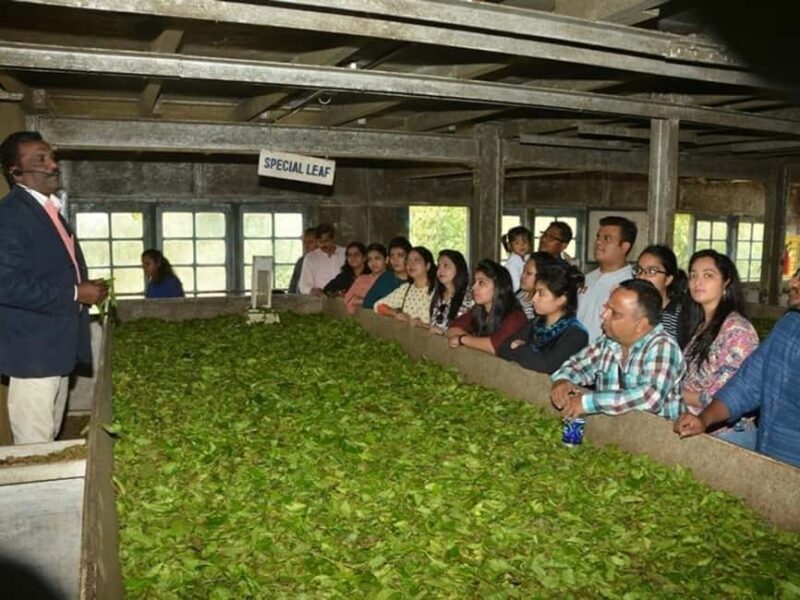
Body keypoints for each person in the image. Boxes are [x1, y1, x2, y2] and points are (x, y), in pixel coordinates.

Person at [0, 131, 108, 444]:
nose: (53, 165)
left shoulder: (48, 212)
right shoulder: (9, 216)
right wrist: (75, 293)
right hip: (32, 354)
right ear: (15, 172)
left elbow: (51, 270)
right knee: (34, 447)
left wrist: (87, 288)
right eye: (41, 160)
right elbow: (6, 284)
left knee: (49, 434)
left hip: (55, 349)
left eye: (52, 157)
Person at [674, 268, 800, 467]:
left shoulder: (737, 329)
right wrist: (704, 419)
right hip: (770, 457)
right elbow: (747, 385)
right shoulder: (789, 325)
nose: (793, 283)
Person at [551, 279, 685, 420]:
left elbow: (650, 398)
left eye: (615, 313)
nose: (604, 316)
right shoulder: (608, 342)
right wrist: (562, 381)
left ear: (641, 324)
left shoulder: (664, 347)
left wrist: (588, 402)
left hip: (657, 438)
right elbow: (577, 366)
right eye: (606, 308)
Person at [679, 250, 759, 447]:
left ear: (726, 283)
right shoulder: (701, 325)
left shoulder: (738, 331)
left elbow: (725, 397)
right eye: (693, 275)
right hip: (696, 427)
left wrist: (671, 392)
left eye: (708, 275)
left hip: (728, 436)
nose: (698, 282)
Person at [498, 263, 588, 374]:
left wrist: (522, 347)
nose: (533, 299)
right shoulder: (536, 324)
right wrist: (532, 355)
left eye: (541, 293)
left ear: (561, 299)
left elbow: (546, 366)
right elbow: (503, 350)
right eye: (535, 292)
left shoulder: (576, 334)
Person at [446, 259, 527, 355]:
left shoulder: (515, 316)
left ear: (498, 288)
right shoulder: (478, 310)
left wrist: (462, 340)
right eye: (475, 282)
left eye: (481, 283)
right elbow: (452, 329)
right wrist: (477, 342)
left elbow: (494, 346)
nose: (473, 287)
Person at [577, 216, 637, 343]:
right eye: (598, 237)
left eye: (607, 238)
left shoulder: (631, 283)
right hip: (576, 356)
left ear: (624, 247)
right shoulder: (587, 278)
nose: (598, 242)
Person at [633, 245, 686, 340]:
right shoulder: (630, 309)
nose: (641, 277)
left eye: (652, 271)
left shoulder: (680, 315)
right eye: (639, 270)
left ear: (668, 279)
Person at [374, 246, 436, 324]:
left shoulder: (438, 291)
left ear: (428, 266)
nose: (411, 264)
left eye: (416, 260)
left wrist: (423, 325)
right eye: (408, 261)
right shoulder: (405, 289)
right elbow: (378, 306)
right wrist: (395, 313)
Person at [428, 249, 472, 333]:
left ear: (458, 269)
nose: (440, 270)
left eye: (445, 265)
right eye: (439, 266)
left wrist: (443, 333)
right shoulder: (438, 295)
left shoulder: (470, 296)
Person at [362, 236, 412, 309]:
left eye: (400, 255)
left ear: (409, 257)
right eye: (392, 256)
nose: (395, 260)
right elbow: (367, 303)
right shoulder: (385, 278)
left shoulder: (416, 279)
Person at [297, 223, 345, 296]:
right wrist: (311, 290)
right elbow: (303, 285)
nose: (323, 245)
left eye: (326, 241)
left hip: (344, 299)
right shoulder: (310, 258)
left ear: (333, 239)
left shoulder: (345, 253)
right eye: (320, 242)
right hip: (319, 301)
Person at [343, 243, 387, 315]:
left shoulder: (391, 279)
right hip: (360, 318)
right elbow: (347, 299)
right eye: (370, 259)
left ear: (386, 260)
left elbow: (387, 302)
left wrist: (359, 301)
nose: (373, 263)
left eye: (377, 258)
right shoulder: (361, 279)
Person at [516, 252, 556, 321]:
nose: (522, 276)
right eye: (523, 270)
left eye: (529, 273)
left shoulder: (539, 309)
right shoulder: (520, 294)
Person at [501, 225, 532, 292]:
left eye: (525, 242)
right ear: (509, 246)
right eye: (517, 243)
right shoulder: (514, 261)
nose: (522, 245)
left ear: (529, 245)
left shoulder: (527, 258)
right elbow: (515, 285)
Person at [288, 226, 318, 294]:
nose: (306, 245)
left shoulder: (325, 261)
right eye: (304, 242)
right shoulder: (301, 261)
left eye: (310, 242)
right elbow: (293, 285)